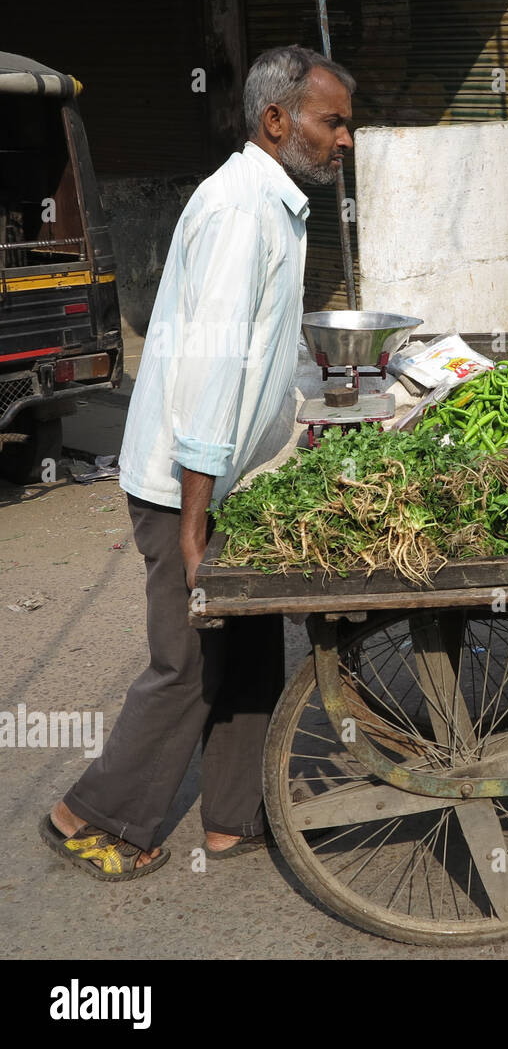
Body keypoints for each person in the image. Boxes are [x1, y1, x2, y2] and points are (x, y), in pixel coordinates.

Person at [39, 46, 355, 878]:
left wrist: (315, 405)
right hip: (186, 483)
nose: (344, 139)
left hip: (222, 483)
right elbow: (214, 372)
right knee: (187, 661)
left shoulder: (270, 204)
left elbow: (262, 355)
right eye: (333, 121)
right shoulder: (240, 213)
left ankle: (232, 820)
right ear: (277, 121)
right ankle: (90, 814)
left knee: (249, 648)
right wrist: (194, 518)